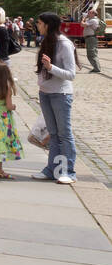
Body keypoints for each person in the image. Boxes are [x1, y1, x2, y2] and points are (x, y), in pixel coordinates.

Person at [33, 11, 77, 184]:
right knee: (53, 134)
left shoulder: (65, 44)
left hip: (61, 94)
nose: (37, 25)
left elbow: (71, 74)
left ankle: (69, 172)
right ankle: (52, 169)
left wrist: (51, 68)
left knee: (64, 134)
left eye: (39, 23)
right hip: (46, 94)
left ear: (47, 25)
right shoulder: (46, 41)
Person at [83, 9, 102, 74]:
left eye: (89, 12)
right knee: (92, 53)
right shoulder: (91, 20)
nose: (88, 13)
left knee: (91, 53)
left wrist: (83, 18)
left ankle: (97, 69)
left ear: (93, 14)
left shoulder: (93, 20)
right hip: (90, 38)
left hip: (91, 38)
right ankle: (96, 68)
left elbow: (82, 24)